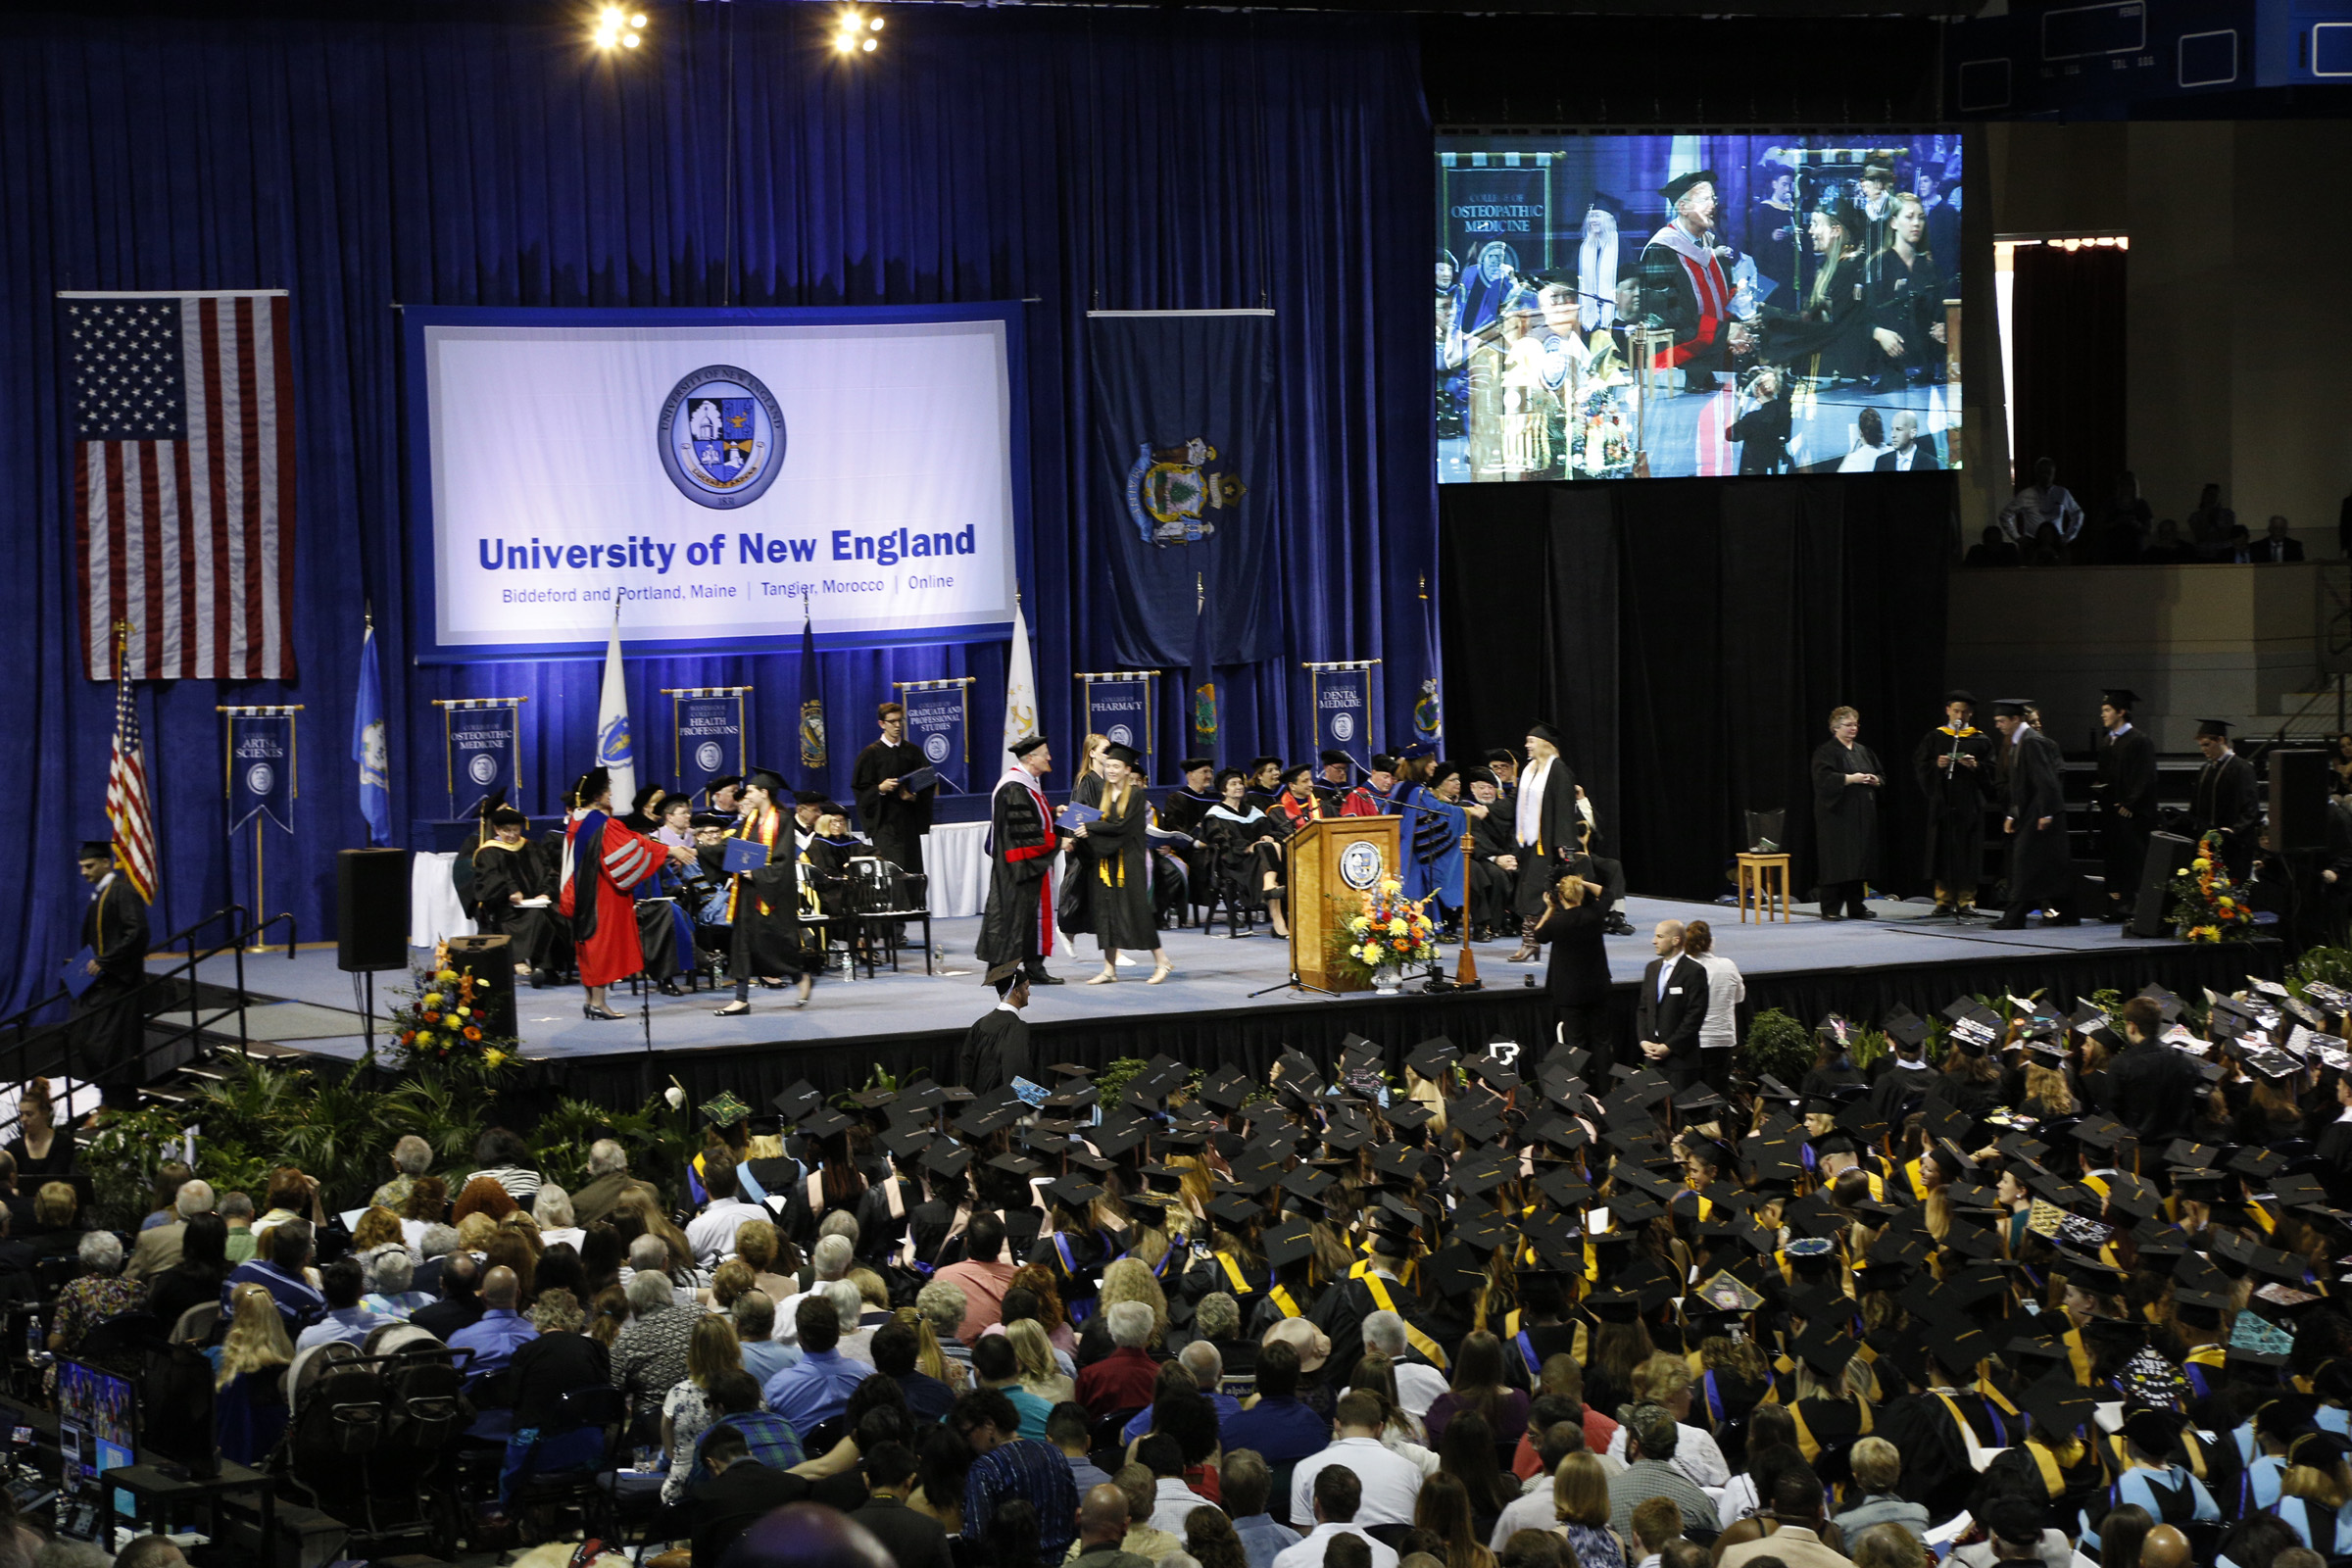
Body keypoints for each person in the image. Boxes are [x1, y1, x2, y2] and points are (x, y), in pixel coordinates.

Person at [561, 766, 697, 1020]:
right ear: (598, 795)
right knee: (600, 944)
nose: (611, 794)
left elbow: (631, 840)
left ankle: (591, 1001)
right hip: (600, 894)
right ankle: (599, 1003)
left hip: (582, 891)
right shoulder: (599, 823)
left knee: (588, 943)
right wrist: (670, 851)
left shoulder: (578, 819)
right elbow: (631, 845)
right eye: (607, 790)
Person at [714, 769, 818, 1015]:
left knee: (772, 943)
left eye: (750, 791)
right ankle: (741, 999)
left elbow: (783, 862)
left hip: (771, 895)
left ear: (764, 793)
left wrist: (757, 874)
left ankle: (798, 975)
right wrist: (704, 851)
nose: (746, 795)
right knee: (742, 942)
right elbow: (736, 847)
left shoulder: (782, 820)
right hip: (747, 893)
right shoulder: (749, 820)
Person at [977, 736, 1070, 985]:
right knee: (1011, 919)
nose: (1049, 758)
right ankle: (1000, 974)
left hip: (1025, 869)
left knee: (1030, 919)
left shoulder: (1027, 784)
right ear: (1031, 758)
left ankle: (1033, 967)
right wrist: (1059, 842)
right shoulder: (1014, 787)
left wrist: (1052, 813)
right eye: (1045, 754)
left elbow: (1030, 821)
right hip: (1015, 870)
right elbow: (1021, 833)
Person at [1637, 170, 1739, 393]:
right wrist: (1719, 330)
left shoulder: (1709, 243)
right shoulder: (1662, 248)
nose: (1712, 205)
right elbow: (1662, 310)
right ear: (1682, 208)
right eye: (1704, 199)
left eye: (1713, 199)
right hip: (1677, 349)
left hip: (1709, 344)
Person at [1084, 743, 1173, 985]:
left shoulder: (1135, 795)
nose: (1111, 770)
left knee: (1137, 912)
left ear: (1127, 770)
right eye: (1108, 765)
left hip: (1129, 863)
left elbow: (1121, 828)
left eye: (1116, 766)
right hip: (1106, 864)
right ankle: (1109, 968)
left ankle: (1162, 961)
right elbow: (1089, 817)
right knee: (1107, 913)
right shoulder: (1104, 793)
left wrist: (1089, 828)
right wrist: (1069, 820)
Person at [956, 1387, 1081, 1559]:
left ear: (989, 1425)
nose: (967, 1442)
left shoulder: (985, 1468)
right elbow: (1074, 1516)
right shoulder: (1053, 1452)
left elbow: (977, 1536)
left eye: (967, 1433)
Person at [73, 840, 149, 1102]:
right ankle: (109, 1100)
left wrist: (107, 960)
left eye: (89, 866)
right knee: (91, 1043)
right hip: (101, 985)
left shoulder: (122, 893)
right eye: (82, 867)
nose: (84, 872)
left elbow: (137, 932)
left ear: (107, 862)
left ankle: (121, 1104)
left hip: (120, 985)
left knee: (115, 1049)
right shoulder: (99, 896)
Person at [1989, 699, 2077, 927]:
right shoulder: (2020, 742)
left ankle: (2014, 917)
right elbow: (2021, 786)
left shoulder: (2031, 742)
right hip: (2031, 813)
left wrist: (2046, 813)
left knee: (2024, 864)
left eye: (2001, 721)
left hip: (2040, 814)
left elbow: (2045, 780)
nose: (1998, 725)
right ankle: (2068, 914)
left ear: (2016, 719)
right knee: (2049, 866)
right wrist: (2012, 814)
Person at [1911, 690, 1994, 918]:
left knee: (1968, 853)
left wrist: (1976, 766)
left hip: (1969, 805)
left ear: (1971, 713)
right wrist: (1936, 765)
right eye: (1956, 710)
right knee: (1942, 851)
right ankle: (1944, 899)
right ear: (1948, 710)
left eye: (1965, 712)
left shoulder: (1980, 739)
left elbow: (1993, 772)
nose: (1960, 715)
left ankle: (1966, 900)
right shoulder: (1935, 738)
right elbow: (1920, 765)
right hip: (1944, 804)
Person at [1507, 724, 1579, 963]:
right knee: (1530, 891)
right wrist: (1486, 810)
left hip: (1548, 844)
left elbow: (1565, 811)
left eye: (1531, 741)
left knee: (1541, 892)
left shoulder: (1559, 772)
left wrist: (1564, 844)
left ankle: (1533, 943)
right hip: (1530, 842)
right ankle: (1532, 943)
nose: (1527, 745)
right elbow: (1515, 803)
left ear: (1546, 744)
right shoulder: (1530, 771)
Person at [472, 807, 567, 986]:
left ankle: (549, 968)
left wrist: (546, 892)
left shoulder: (532, 847)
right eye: (506, 830)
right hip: (508, 909)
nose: (512, 835)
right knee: (540, 917)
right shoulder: (489, 853)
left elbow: (550, 874)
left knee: (557, 912)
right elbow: (488, 883)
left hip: (537, 903)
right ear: (497, 830)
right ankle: (544, 968)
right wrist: (510, 893)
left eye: (515, 829)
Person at [2090, 688, 2159, 921]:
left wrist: (2130, 803)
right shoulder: (2108, 741)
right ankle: (2116, 905)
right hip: (2112, 813)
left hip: (2133, 815)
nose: (2103, 715)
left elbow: (2146, 777)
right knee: (2114, 860)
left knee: (2133, 861)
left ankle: (2133, 907)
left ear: (2121, 712)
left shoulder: (2139, 741)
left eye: (2107, 710)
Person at [851, 701, 936, 886]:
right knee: (892, 870)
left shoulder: (913, 752)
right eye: (892, 722)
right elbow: (860, 790)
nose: (897, 726)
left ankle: (914, 910)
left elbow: (928, 783)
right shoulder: (870, 755)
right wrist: (879, 789)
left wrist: (913, 796)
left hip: (908, 822)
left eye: (900, 721)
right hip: (885, 824)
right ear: (882, 724)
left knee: (912, 869)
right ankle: (895, 913)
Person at [1811, 707, 1883, 919]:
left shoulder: (1863, 751)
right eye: (1848, 725)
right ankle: (1831, 907)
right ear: (1835, 728)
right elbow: (1823, 780)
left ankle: (1856, 905)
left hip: (1862, 815)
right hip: (1836, 816)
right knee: (1837, 862)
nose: (1853, 729)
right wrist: (1852, 779)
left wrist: (1875, 780)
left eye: (1855, 725)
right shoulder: (1825, 751)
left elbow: (1880, 774)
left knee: (1859, 862)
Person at [1531, 872, 1611, 1058]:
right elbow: (1607, 894)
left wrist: (1549, 909)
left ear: (1560, 897)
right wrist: (1581, 882)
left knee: (1576, 1044)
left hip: (1569, 992)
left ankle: (1581, 1088)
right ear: (1581, 893)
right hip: (1598, 988)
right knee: (1602, 1041)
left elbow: (1538, 935)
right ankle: (1605, 1086)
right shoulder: (1595, 914)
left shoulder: (1556, 923)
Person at [1636, 922, 1709, 1092]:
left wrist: (1669, 1047)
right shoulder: (1652, 968)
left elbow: (1695, 1016)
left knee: (1679, 1115)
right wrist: (1644, 1040)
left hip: (1681, 1062)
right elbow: (1643, 1009)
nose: (1654, 941)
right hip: (1653, 1058)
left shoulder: (1694, 971)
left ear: (1676, 940)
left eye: (1660, 936)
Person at [2187, 718, 2262, 881]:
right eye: (2201, 745)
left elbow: (2250, 808)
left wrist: (2234, 830)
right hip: (2207, 844)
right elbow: (2195, 807)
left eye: (2207, 744)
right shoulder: (2206, 769)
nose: (2203, 750)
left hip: (2234, 845)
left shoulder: (2242, 768)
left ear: (2221, 740)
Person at [1680, 921, 1742, 1083]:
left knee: (1691, 1094)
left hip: (1692, 1041)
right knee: (1719, 1091)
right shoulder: (1728, 965)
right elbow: (1739, 997)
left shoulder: (1682, 969)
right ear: (1711, 942)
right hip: (1721, 1038)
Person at [957, 964, 1033, 1094]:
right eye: (1026, 988)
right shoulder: (1016, 1027)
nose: (1029, 993)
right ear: (1016, 992)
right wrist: (1039, 1103)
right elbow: (1016, 1073)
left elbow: (966, 1062)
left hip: (979, 1104)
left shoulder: (980, 1023)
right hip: (1001, 1106)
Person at [1999, 459, 2084, 547]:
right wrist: (2017, 538)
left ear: (2053, 474)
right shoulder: (2026, 494)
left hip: (2056, 543)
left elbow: (2077, 514)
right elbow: (2005, 515)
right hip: (2033, 543)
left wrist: (2068, 537)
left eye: (2048, 472)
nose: (2045, 476)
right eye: (2042, 472)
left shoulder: (2061, 493)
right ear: (2036, 473)